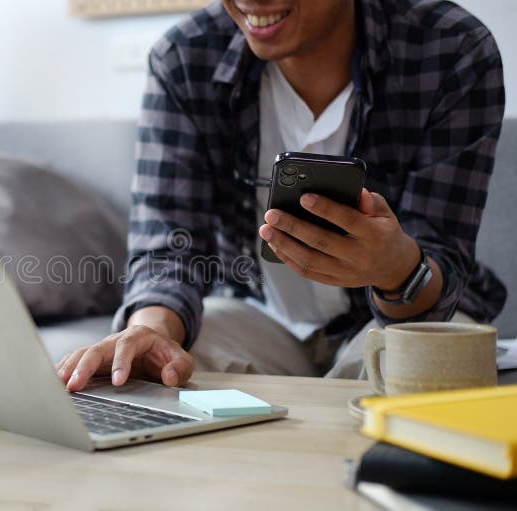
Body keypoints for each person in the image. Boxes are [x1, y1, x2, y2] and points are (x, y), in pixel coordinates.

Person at [57, 0, 506, 392]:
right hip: (255, 314)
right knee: (156, 370)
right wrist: (150, 329)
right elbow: (170, 248)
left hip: (394, 316)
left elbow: (441, 258)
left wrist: (396, 269)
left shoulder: (452, 49)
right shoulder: (184, 58)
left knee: (423, 365)